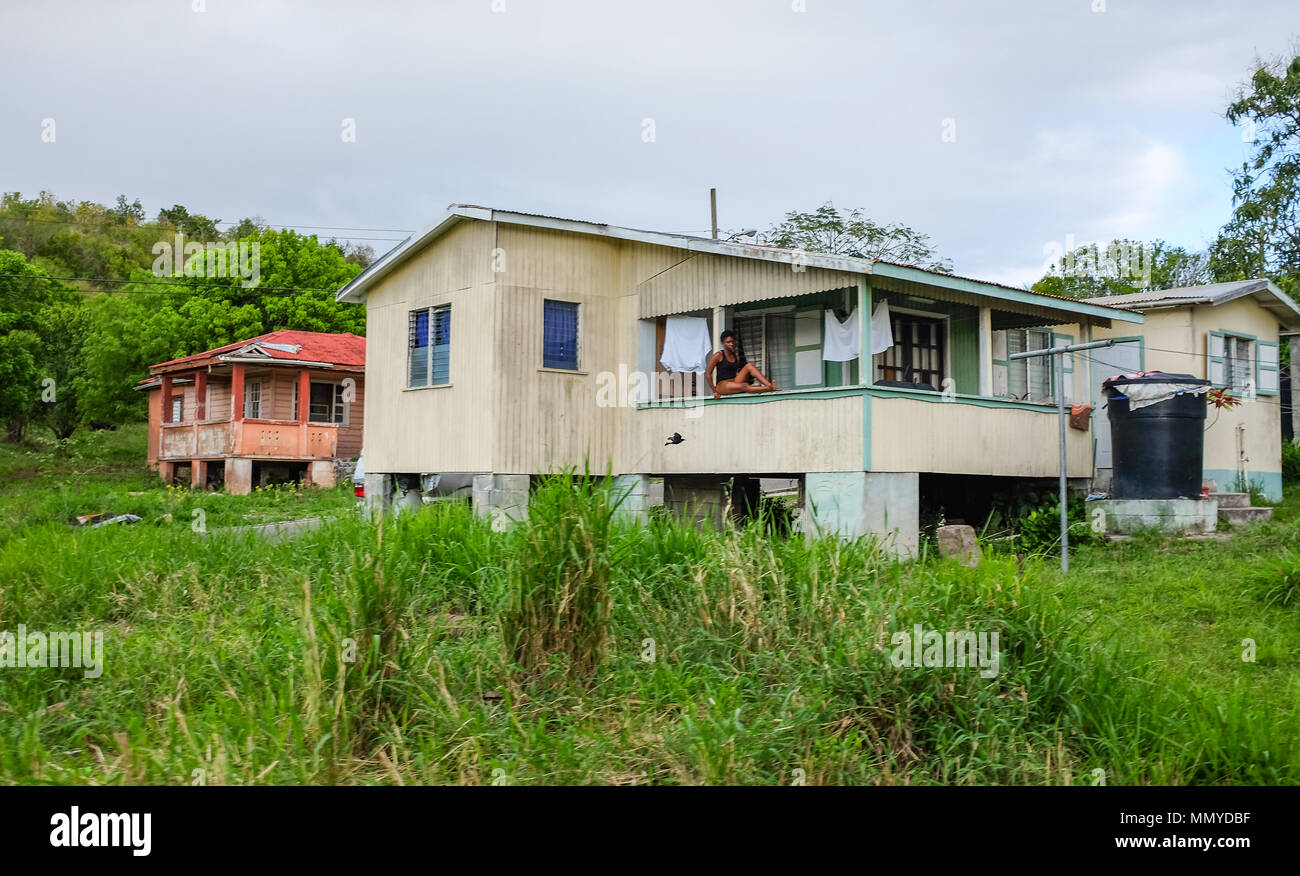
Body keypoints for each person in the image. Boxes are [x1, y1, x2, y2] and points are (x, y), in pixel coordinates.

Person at [707, 330, 779, 398]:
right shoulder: (718, 355)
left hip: (734, 381)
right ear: (723, 343)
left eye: (732, 341)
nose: (731, 344)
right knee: (744, 386)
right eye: (728, 342)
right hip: (722, 385)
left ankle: (769, 385)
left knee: (749, 366)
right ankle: (768, 388)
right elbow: (708, 373)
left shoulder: (735, 356)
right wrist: (714, 391)